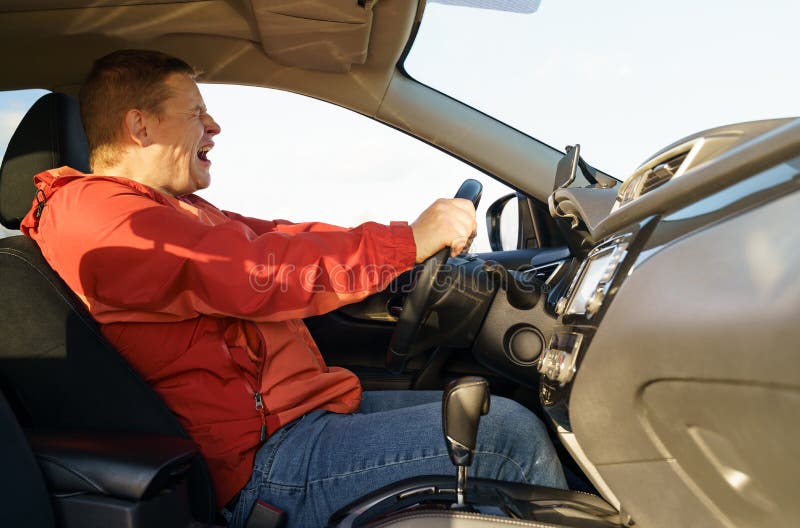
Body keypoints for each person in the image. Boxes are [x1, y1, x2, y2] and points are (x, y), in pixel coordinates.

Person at [21, 49, 566, 527]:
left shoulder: (174, 209)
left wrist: (408, 241)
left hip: (299, 421)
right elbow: (256, 270)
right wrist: (408, 244)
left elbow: (281, 236)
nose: (213, 127)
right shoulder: (98, 214)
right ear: (140, 127)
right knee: (510, 437)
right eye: (196, 114)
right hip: (265, 462)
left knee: (499, 408)